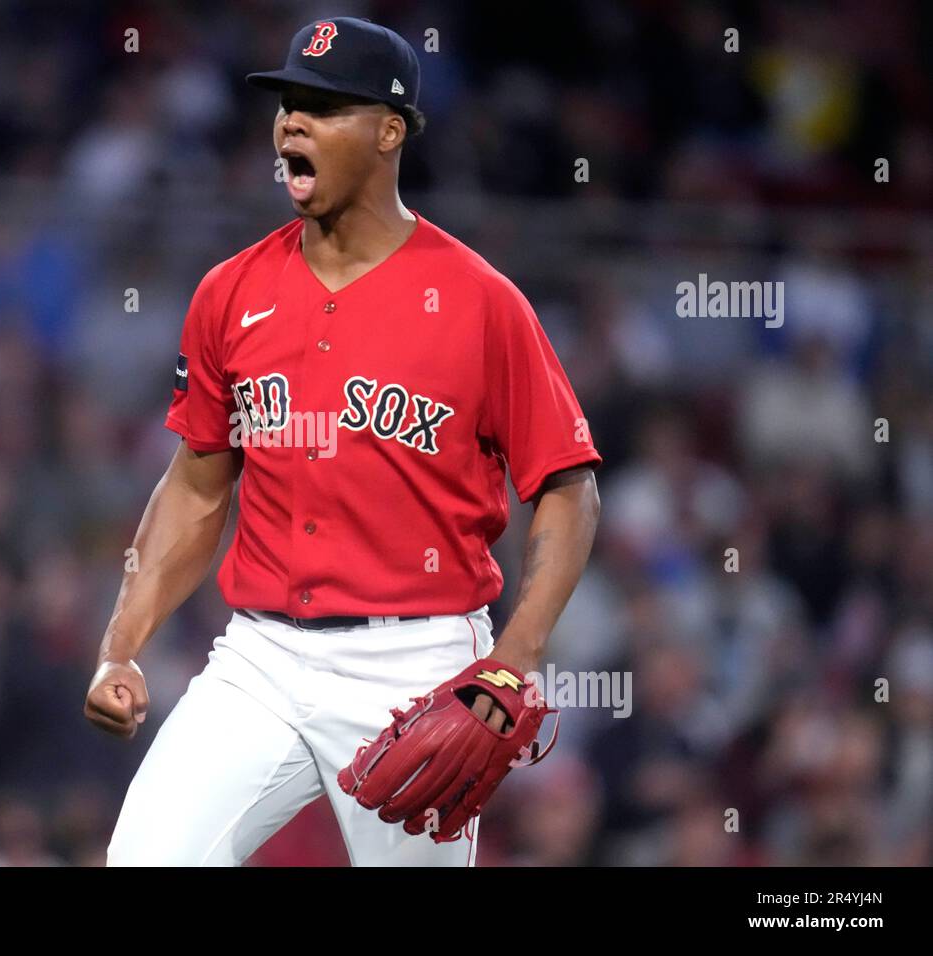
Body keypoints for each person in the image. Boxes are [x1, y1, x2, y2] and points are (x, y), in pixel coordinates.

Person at [86, 16, 602, 866]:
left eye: (323, 106)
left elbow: (569, 488)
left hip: (419, 659)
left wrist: (512, 662)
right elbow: (195, 485)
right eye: (289, 102)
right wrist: (121, 647)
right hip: (260, 655)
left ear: (389, 131)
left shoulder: (478, 300)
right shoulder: (231, 292)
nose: (292, 122)